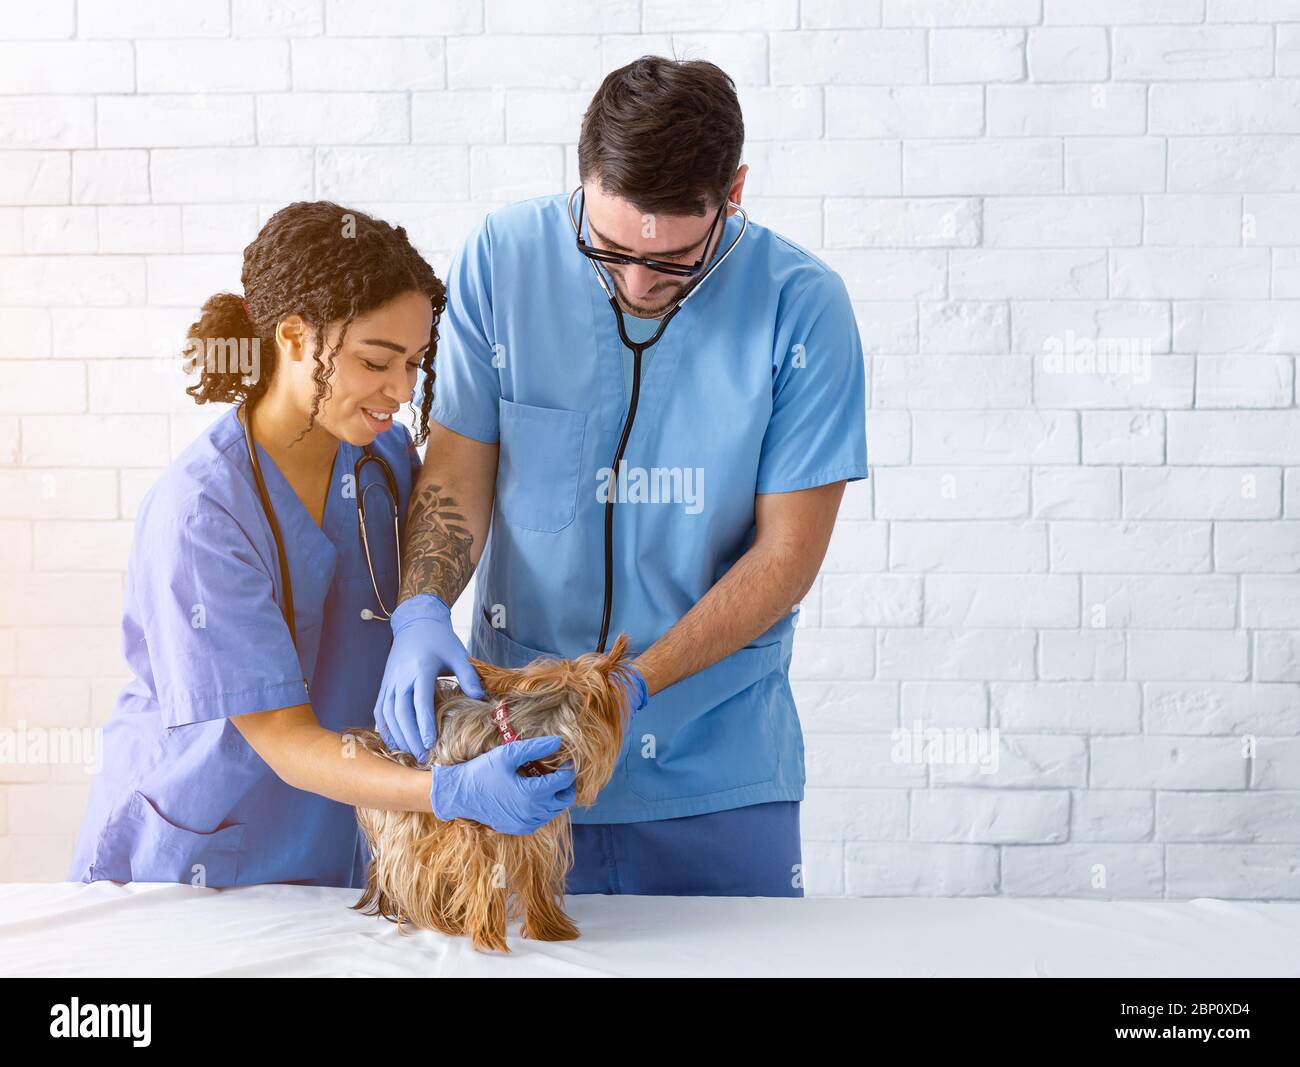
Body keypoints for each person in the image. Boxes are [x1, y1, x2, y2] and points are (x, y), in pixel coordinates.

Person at [373, 58, 870, 897]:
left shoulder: (804, 308)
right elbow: (457, 472)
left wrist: (632, 685)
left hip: (716, 766)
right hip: (518, 758)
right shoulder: (503, 259)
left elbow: (787, 554)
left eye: (676, 260)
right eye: (607, 250)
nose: (638, 283)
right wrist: (421, 608)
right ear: (583, 182)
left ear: (735, 191)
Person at [67, 202, 575, 889]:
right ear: (295, 337)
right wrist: (448, 793)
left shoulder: (382, 460)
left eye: (415, 363)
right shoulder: (202, 511)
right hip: (196, 853)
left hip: (335, 840)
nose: (401, 392)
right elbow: (280, 733)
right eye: (376, 361)